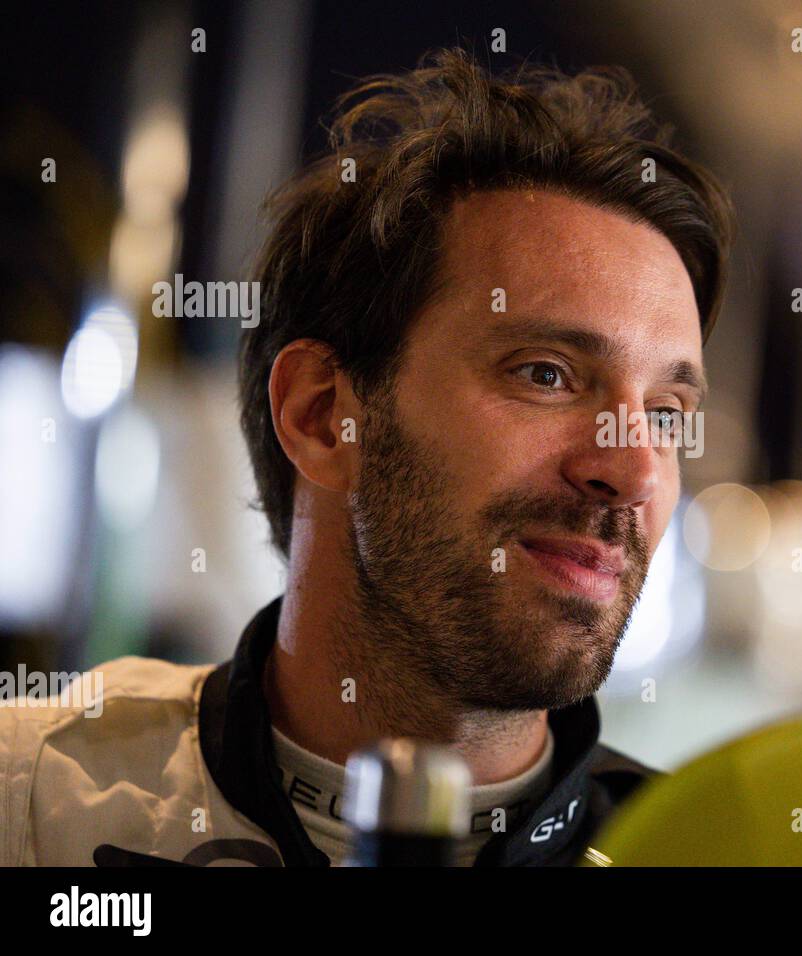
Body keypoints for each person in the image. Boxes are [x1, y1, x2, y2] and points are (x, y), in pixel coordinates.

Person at [0, 48, 735, 867]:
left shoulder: (701, 849)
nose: (632, 470)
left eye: (667, 415)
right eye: (546, 375)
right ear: (322, 416)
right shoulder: (31, 808)